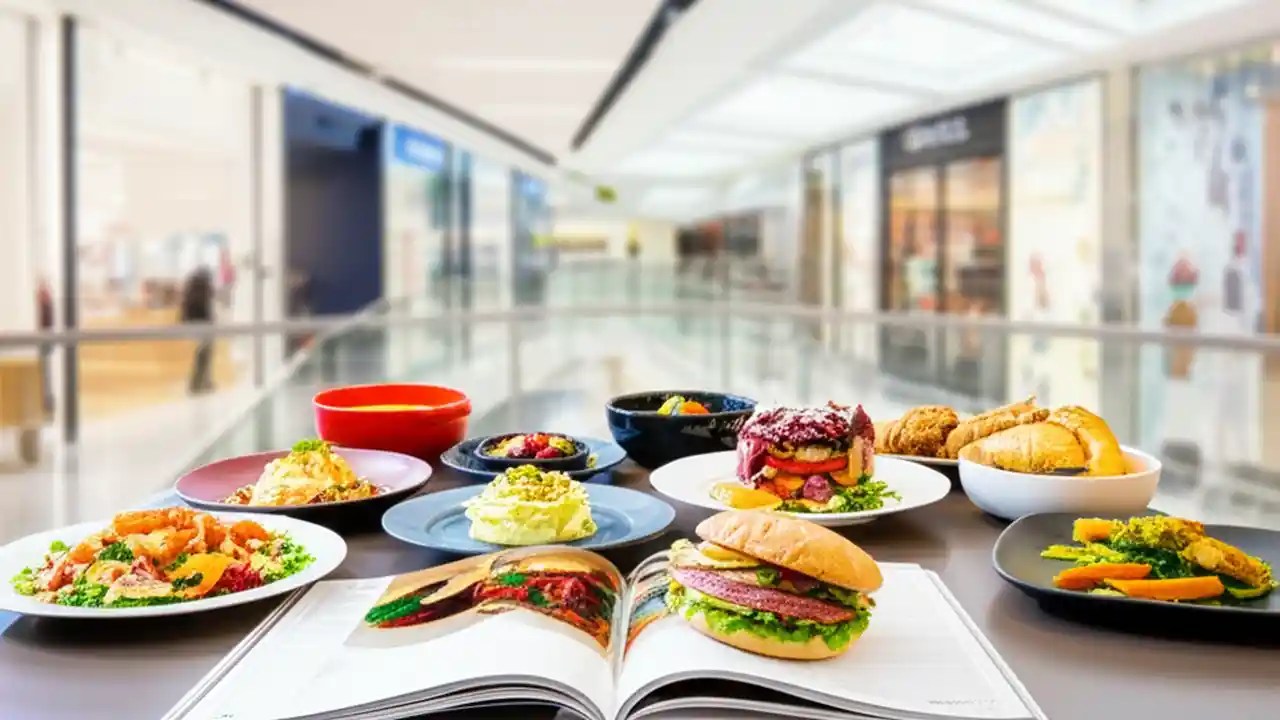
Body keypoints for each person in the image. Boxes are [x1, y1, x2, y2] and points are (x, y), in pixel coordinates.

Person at [180, 267, 215, 394]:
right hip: (201, 327)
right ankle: (199, 382)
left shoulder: (191, 291)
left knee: (203, 354)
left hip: (193, 326)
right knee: (204, 354)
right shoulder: (202, 292)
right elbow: (206, 313)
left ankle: (201, 382)